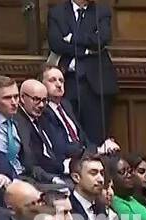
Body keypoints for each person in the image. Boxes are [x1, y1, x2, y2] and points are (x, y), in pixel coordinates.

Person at [47, 0, 119, 142]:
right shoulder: (57, 12)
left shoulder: (102, 11)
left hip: (96, 85)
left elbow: (102, 39)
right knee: (68, 135)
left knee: (96, 139)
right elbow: (56, 43)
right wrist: (87, 50)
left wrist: (71, 38)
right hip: (68, 81)